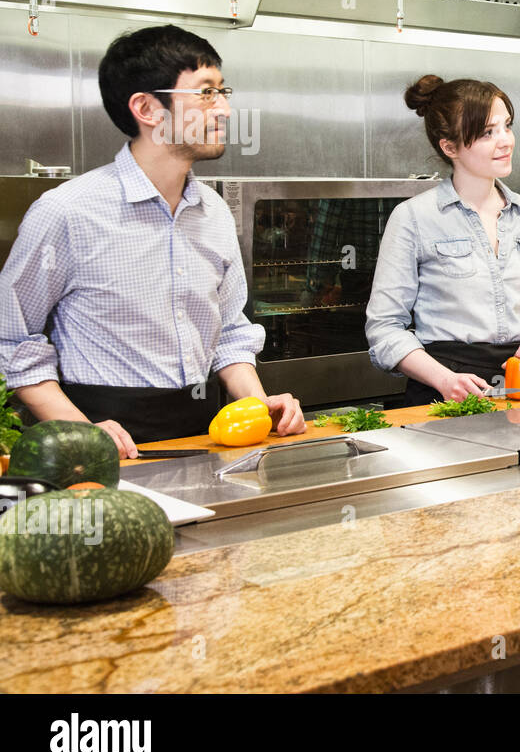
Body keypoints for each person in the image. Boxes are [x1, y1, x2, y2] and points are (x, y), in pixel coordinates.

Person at [0, 25, 305, 456]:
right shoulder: (66, 211)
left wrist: (256, 404)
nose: (225, 110)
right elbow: (11, 340)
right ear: (147, 108)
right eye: (205, 93)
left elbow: (230, 332)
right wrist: (80, 430)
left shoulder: (214, 212)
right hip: (101, 437)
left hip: (207, 430)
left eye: (223, 91)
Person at [366, 75, 520, 404]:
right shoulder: (413, 218)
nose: (505, 141)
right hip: (444, 393)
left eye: (507, 126)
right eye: (488, 132)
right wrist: (445, 380)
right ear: (450, 147)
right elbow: (385, 327)